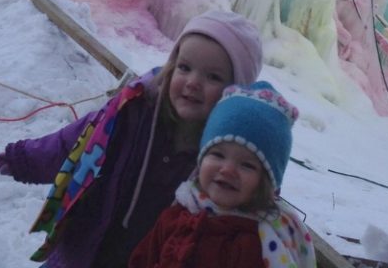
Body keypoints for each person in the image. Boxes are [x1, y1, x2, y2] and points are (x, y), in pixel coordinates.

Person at [0, 9, 263, 267]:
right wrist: (24, 159)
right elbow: (76, 143)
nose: (193, 82)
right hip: (86, 253)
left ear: (235, 92)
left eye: (213, 76)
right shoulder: (131, 112)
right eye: (185, 67)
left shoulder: (230, 161)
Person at [129, 81, 316, 268]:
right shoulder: (177, 214)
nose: (227, 170)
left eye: (247, 165)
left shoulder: (256, 245)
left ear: (266, 182)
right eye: (218, 155)